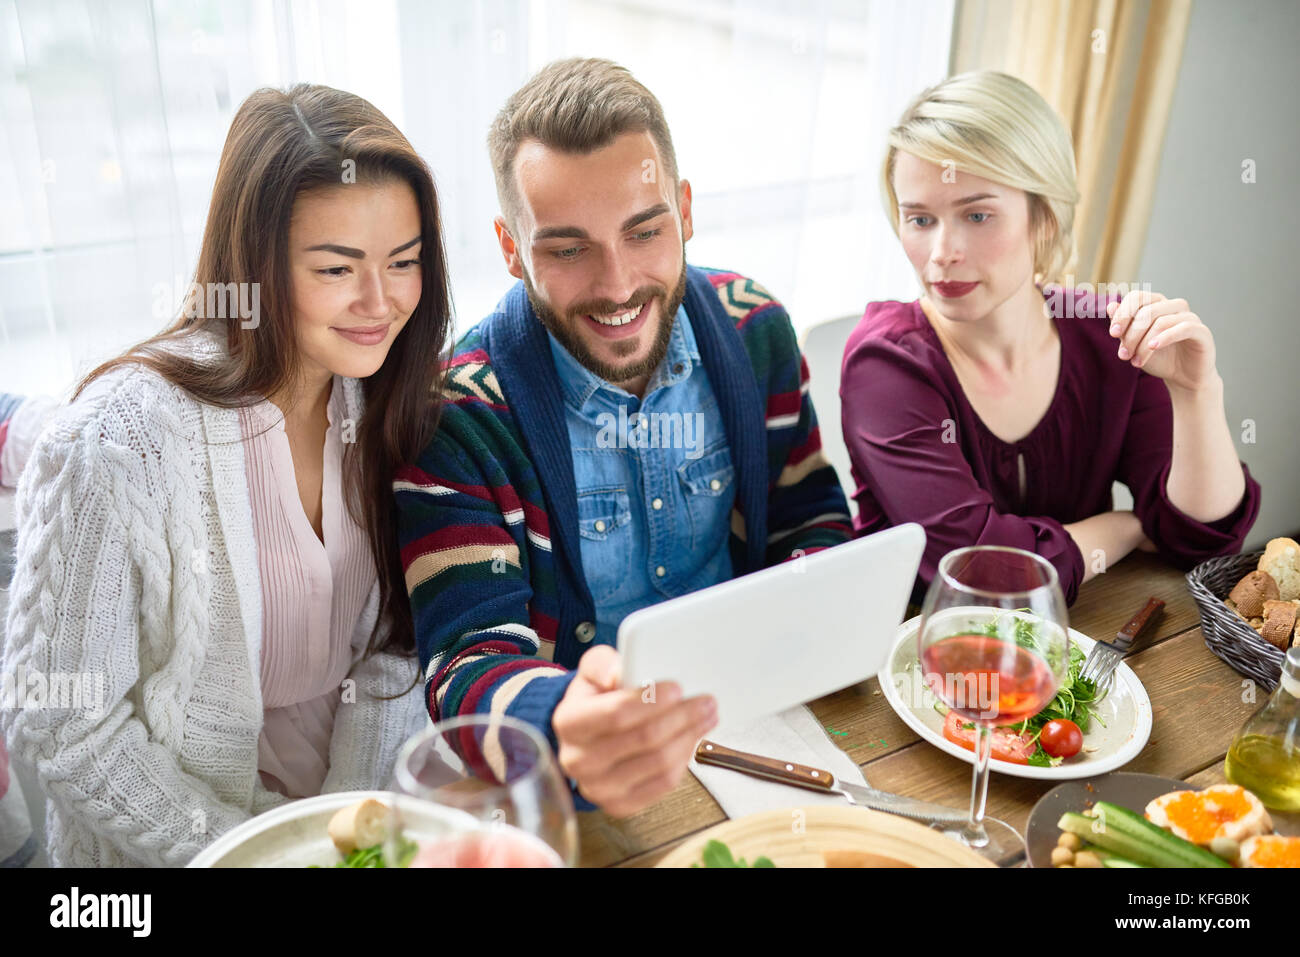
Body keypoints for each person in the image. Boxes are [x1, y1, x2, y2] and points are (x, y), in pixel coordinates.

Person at [0, 83, 453, 866]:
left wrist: (343, 832)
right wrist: (260, 852)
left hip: (358, 825)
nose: (381, 301)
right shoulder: (118, 441)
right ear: (256, 266)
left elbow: (395, 647)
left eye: (404, 262)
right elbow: (62, 723)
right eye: (338, 268)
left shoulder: (389, 397)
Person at [395, 58, 851, 818]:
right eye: (568, 249)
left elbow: (815, 522)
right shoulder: (456, 415)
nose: (616, 286)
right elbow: (466, 665)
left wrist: (801, 622)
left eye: (645, 231)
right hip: (578, 789)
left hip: (768, 736)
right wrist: (563, 719)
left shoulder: (755, 329)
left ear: (686, 210)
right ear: (511, 248)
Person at [840, 71, 1260, 606]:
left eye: (977, 214)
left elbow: (1203, 539)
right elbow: (981, 575)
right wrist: (1129, 526)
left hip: (1082, 639)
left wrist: (1196, 392)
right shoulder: (886, 365)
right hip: (915, 661)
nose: (942, 252)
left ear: (1044, 218)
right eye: (920, 219)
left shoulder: (1112, 337)